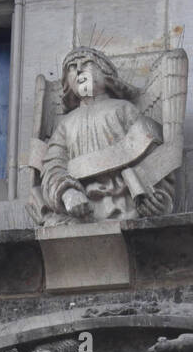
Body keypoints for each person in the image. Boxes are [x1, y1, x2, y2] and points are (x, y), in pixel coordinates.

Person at [36, 47, 175, 224]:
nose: (78, 70)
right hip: (82, 212)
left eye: (86, 63)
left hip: (127, 207)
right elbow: (53, 166)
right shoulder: (65, 125)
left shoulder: (124, 109)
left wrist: (158, 197)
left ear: (105, 73)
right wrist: (68, 193)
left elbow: (153, 155)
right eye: (71, 67)